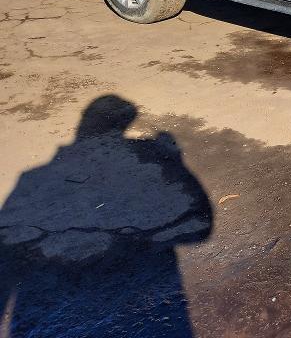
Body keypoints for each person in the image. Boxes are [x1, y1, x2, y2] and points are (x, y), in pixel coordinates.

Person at [0, 95, 212, 336]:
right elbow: (199, 224)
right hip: (135, 312)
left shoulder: (35, 180)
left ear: (83, 126)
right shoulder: (147, 167)